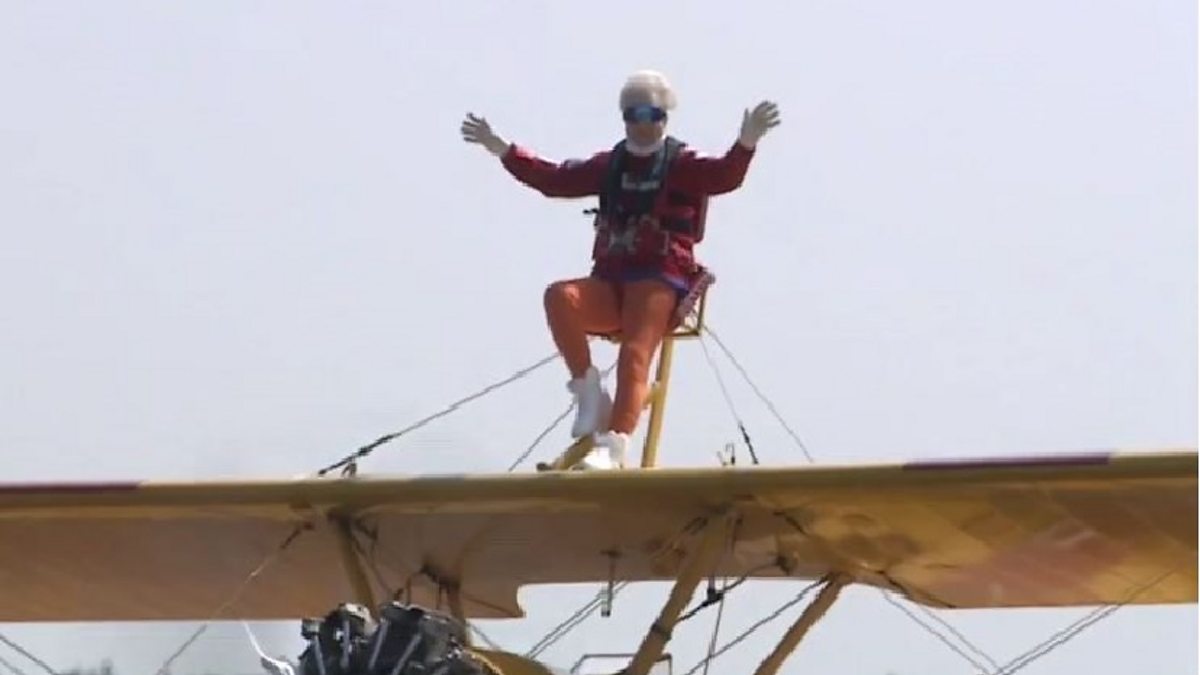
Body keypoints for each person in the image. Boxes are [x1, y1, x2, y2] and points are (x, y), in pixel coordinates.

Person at [461, 70, 780, 470]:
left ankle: (615, 443)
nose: (644, 123)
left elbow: (723, 176)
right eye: (634, 114)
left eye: (653, 113)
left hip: (660, 277)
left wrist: (746, 141)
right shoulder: (610, 165)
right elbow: (554, 179)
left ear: (665, 116)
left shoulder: (681, 163)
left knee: (636, 352)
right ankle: (590, 395)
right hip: (611, 278)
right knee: (560, 297)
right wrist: (502, 148)